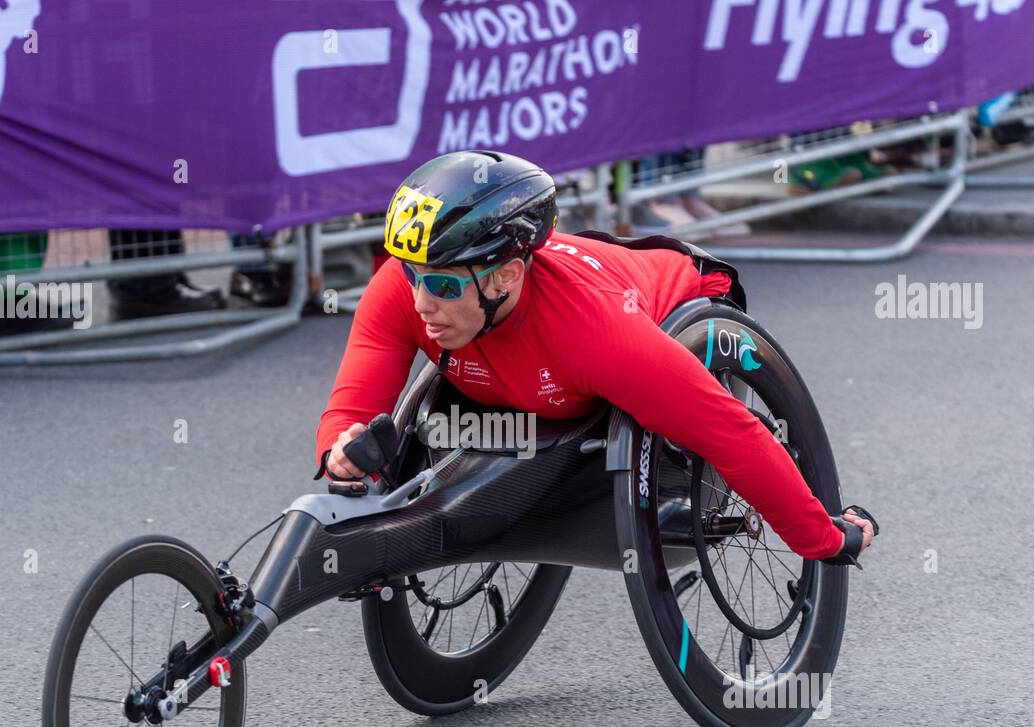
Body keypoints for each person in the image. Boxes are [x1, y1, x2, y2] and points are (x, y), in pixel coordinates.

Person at [314, 151, 874, 564]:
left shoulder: (597, 336)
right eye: (411, 273)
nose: (419, 301)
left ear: (505, 276)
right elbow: (351, 410)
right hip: (557, 334)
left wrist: (824, 538)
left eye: (440, 283)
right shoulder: (402, 289)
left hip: (674, 295)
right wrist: (344, 458)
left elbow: (730, 433)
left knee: (681, 420)